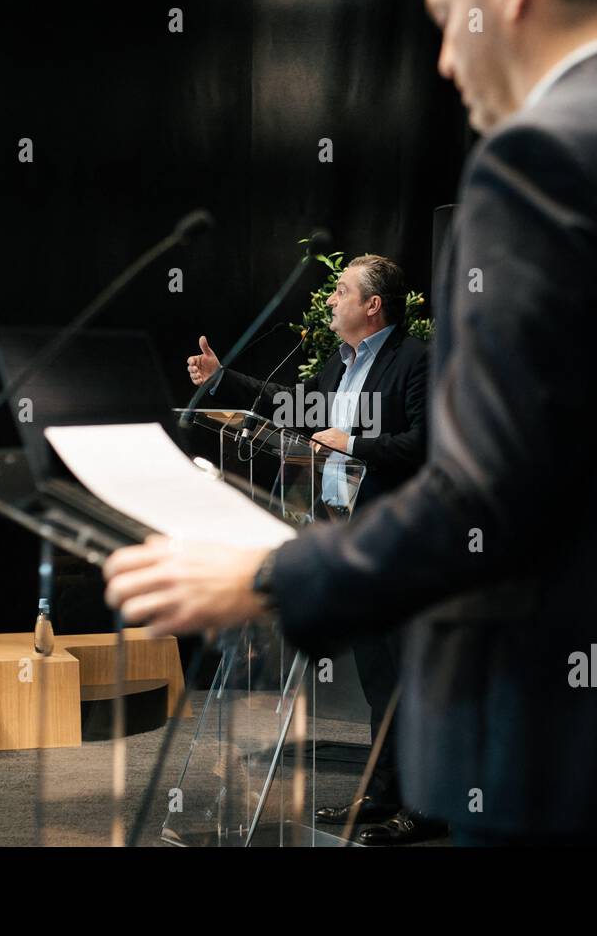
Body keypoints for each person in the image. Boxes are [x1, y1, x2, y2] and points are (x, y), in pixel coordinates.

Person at [106, 0, 597, 845]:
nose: (445, 60)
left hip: (559, 736)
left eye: (448, 20)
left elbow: (487, 498)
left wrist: (262, 578)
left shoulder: (542, 160)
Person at [187, 254, 437, 843]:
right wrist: (224, 379)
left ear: (373, 305)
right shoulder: (337, 367)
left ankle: (427, 806)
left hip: (397, 535)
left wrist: (354, 441)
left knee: (409, 675)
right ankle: (383, 793)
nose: (329, 299)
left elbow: (426, 444)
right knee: (380, 675)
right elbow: (286, 403)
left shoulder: (417, 360)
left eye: (342, 290)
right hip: (342, 532)